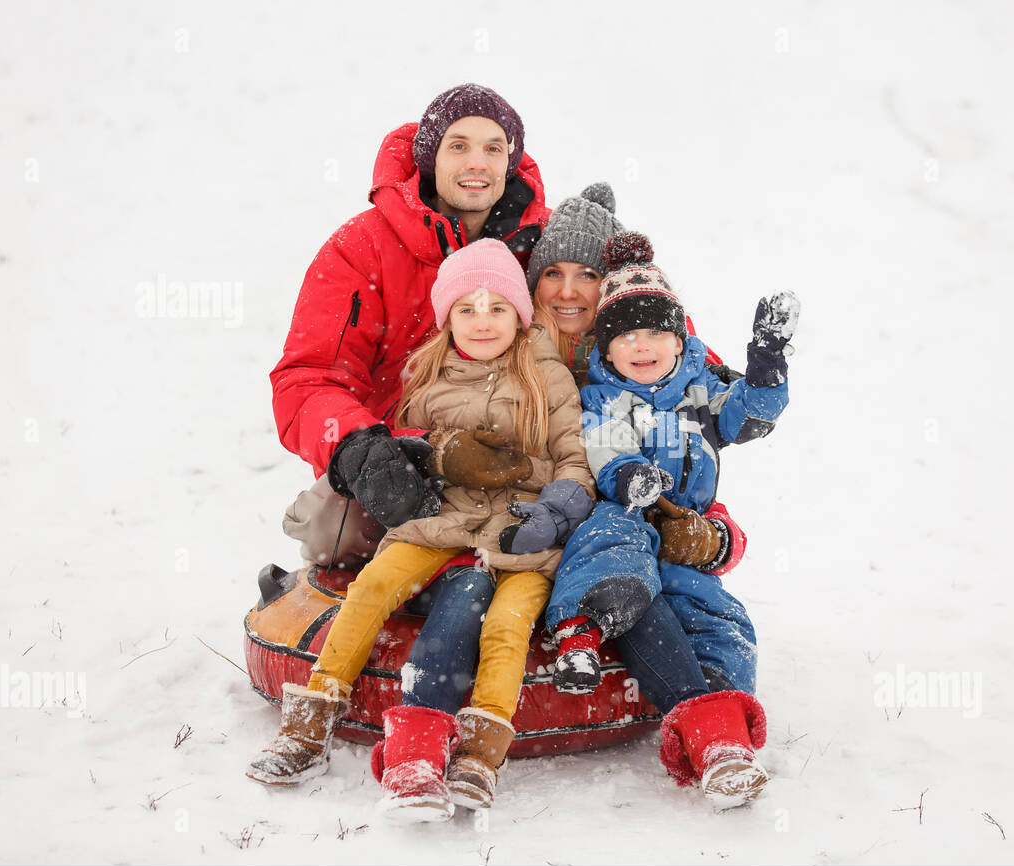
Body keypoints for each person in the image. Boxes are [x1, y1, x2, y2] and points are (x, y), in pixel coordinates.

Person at [248, 240, 594, 823]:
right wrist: (440, 454)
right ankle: (312, 722)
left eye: (497, 308)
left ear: (519, 313)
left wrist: (552, 514)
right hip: (444, 521)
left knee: (508, 627)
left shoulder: (549, 379)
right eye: (467, 309)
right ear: (447, 316)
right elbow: (407, 451)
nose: (482, 322)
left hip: (522, 533)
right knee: (374, 585)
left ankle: (479, 756)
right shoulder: (426, 373)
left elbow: (575, 461)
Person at [544, 232, 799, 805]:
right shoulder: (602, 398)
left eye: (657, 332)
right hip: (628, 511)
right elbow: (604, 446)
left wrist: (766, 366)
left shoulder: (700, 390)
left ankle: (722, 731)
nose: (643, 345)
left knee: (719, 616)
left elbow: (749, 418)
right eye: (626, 335)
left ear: (679, 339)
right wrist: (631, 475)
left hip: (685, 527)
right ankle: (581, 628)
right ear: (604, 350)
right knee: (612, 541)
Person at [272, 82, 550, 570]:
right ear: (429, 158)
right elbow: (309, 379)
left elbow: (641, 327)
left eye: (493, 148)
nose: (476, 163)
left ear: (510, 161)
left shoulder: (545, 242)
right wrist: (362, 448)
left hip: (519, 450)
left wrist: (708, 386)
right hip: (406, 460)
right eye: (458, 146)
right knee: (329, 531)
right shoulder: (361, 247)